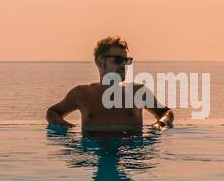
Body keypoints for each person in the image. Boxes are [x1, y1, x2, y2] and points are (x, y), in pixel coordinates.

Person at [46, 36, 174, 133]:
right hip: (93, 153)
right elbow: (52, 112)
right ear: (100, 62)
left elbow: (166, 112)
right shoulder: (81, 94)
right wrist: (61, 125)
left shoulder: (138, 92)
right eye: (118, 60)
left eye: (126, 60)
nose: (123, 65)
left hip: (130, 155)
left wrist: (160, 124)